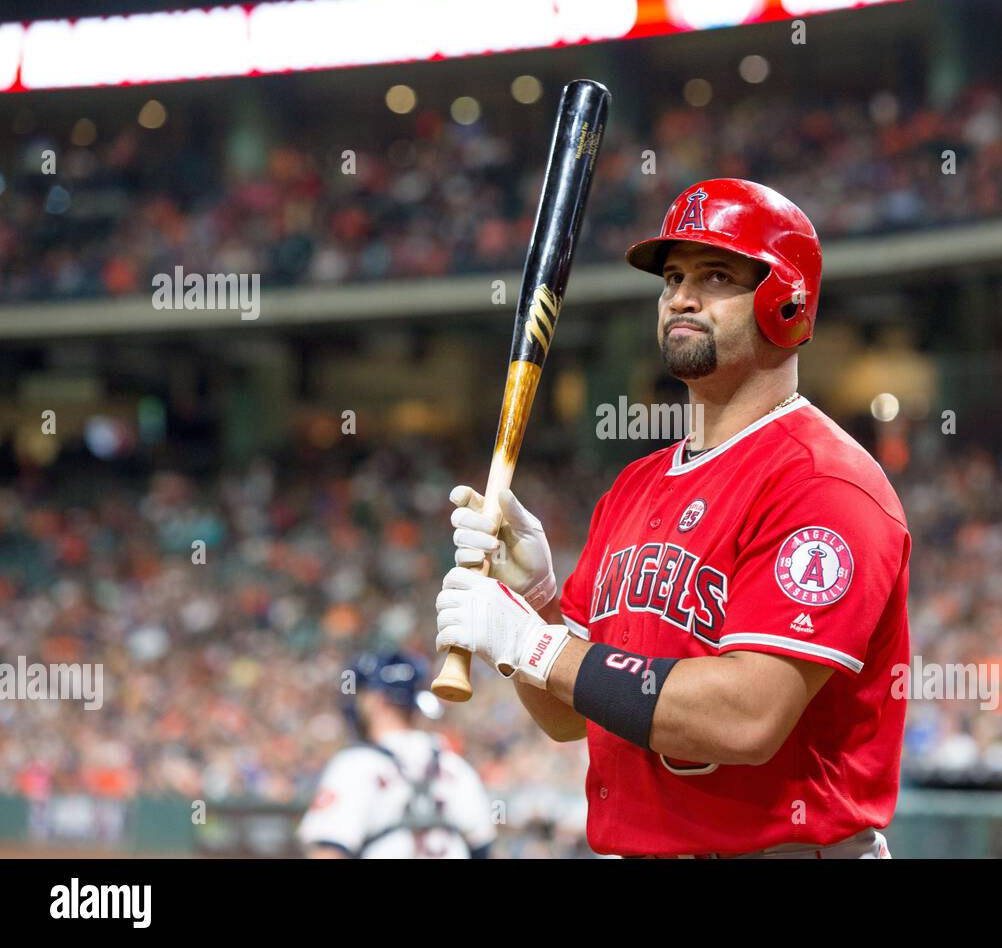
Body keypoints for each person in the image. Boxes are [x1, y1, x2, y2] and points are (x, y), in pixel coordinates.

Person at [436, 179, 910, 858]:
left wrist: (532, 645)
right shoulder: (634, 486)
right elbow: (570, 713)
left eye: (717, 275)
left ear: (785, 300)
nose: (681, 296)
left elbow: (746, 718)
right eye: (673, 277)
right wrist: (534, 605)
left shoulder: (822, 480)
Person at [298, 651, 495, 858]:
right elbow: (484, 847)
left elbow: (328, 853)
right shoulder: (453, 764)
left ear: (376, 700)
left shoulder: (355, 764)